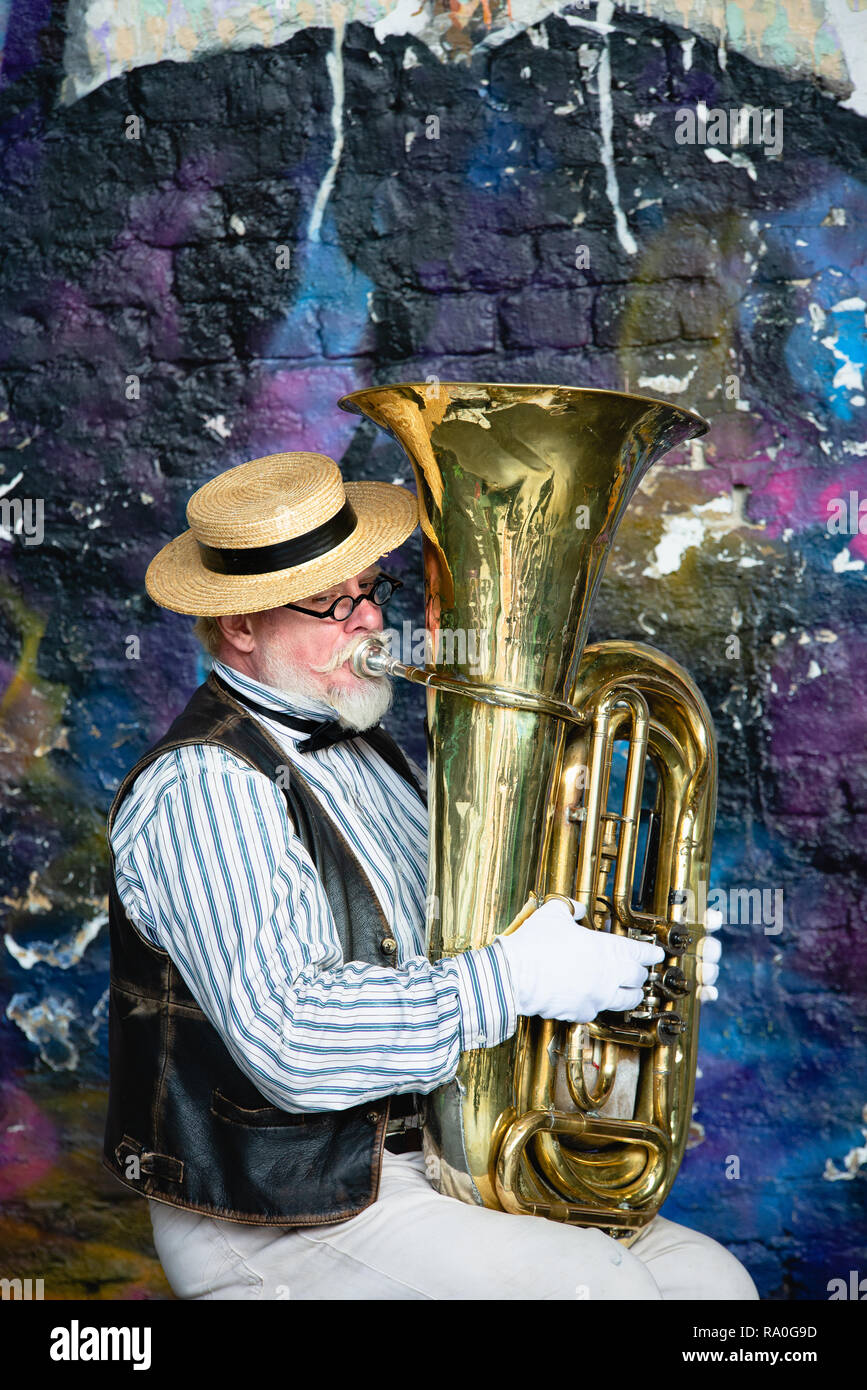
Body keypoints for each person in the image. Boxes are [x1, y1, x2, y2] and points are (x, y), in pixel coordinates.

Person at [104, 450, 757, 1301]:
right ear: (241, 626)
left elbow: (451, 949)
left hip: (428, 1158)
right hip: (282, 1210)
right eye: (335, 603)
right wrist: (514, 977)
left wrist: (604, 968)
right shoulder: (205, 785)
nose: (370, 620)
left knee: (713, 1285)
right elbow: (293, 1043)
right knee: (592, 1288)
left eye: (371, 589)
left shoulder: (367, 748)